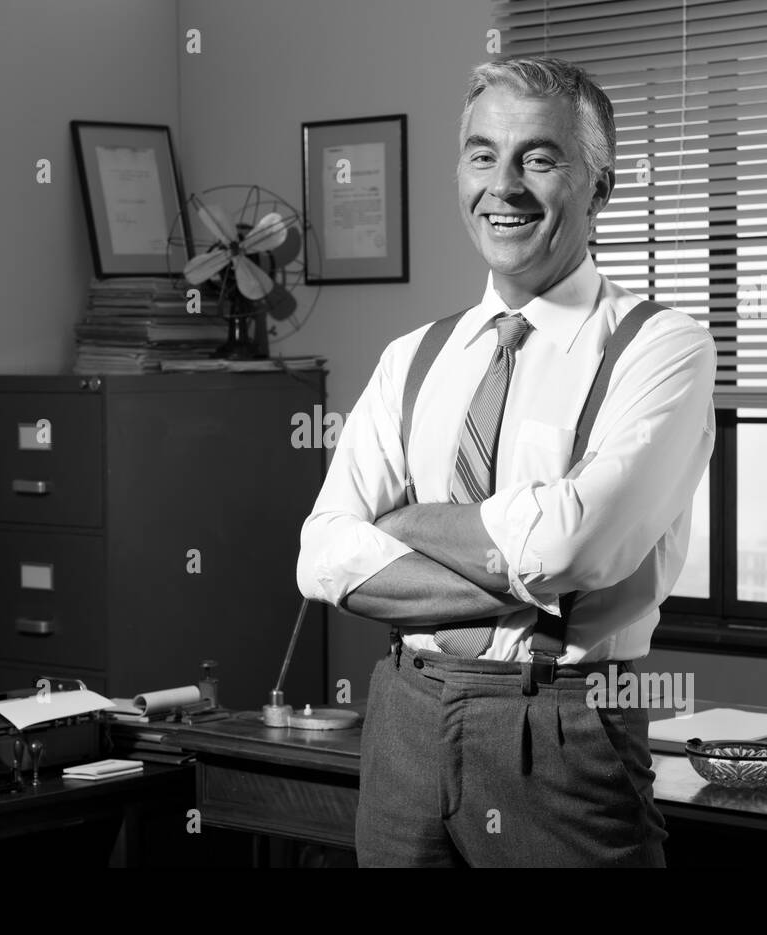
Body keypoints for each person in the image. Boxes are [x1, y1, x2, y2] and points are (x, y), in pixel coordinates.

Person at [297, 55, 716, 867]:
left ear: (602, 186)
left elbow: (577, 548)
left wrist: (406, 522)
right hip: (404, 719)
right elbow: (323, 557)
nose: (505, 186)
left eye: (540, 157)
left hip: (562, 728)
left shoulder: (663, 347)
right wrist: (536, 569)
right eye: (483, 154)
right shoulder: (412, 357)